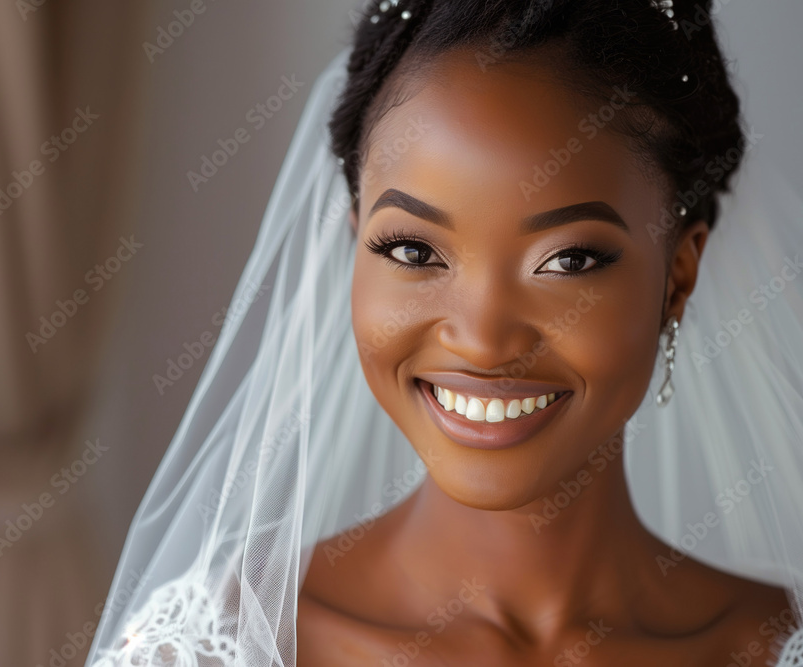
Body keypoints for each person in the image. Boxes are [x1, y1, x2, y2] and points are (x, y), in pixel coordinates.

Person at [86, 1, 803, 665]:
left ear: (677, 276)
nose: (483, 340)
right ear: (351, 244)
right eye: (414, 251)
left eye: (568, 259)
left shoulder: (772, 644)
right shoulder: (214, 649)